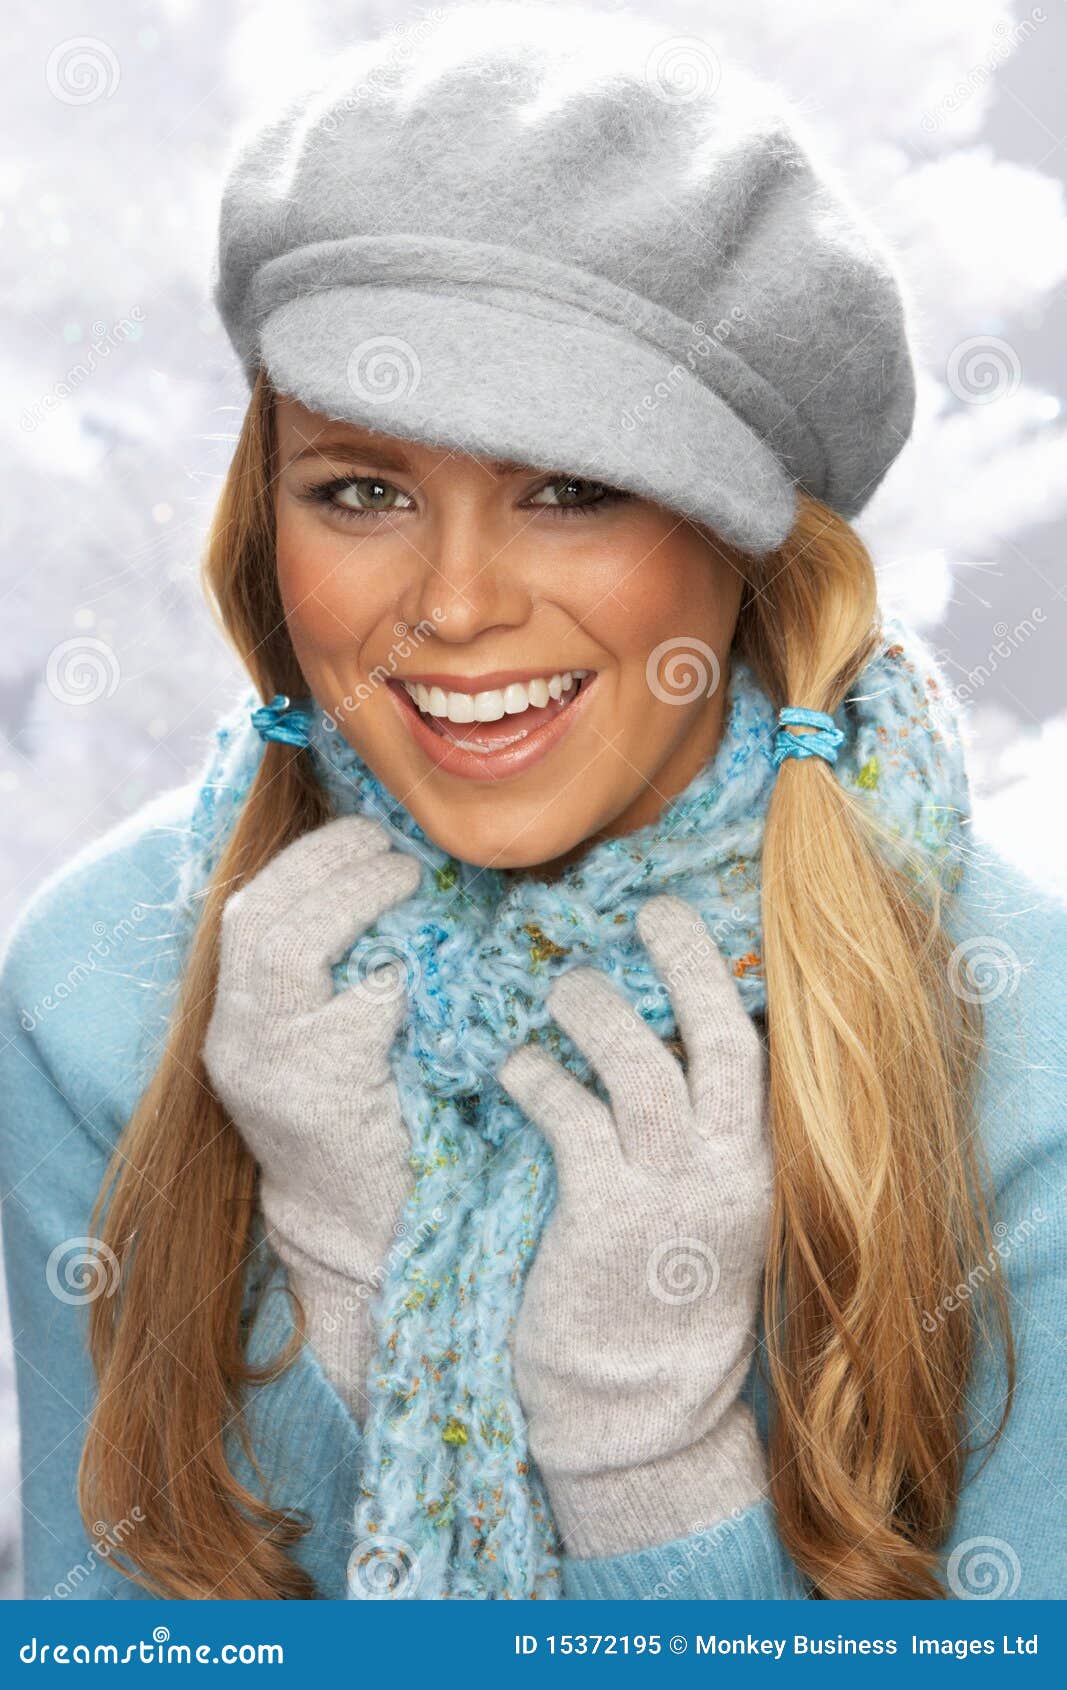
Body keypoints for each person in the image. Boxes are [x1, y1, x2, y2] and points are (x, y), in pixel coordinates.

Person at [2, 0, 1065, 1603]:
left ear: (748, 539)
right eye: (362, 490)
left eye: (572, 489)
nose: (454, 603)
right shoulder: (98, 984)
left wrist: (645, 1461)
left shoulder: (1023, 1035)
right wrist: (342, 1283)